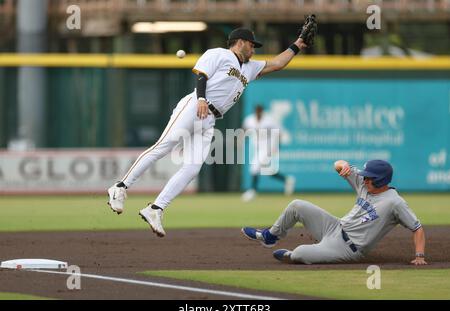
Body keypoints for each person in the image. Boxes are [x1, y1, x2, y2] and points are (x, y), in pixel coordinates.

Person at [107, 27, 311, 237]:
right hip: (196, 105)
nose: (254, 49)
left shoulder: (249, 68)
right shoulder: (219, 54)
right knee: (164, 146)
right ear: (240, 42)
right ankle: (120, 187)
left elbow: (278, 63)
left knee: (193, 167)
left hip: (211, 118)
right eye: (252, 45)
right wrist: (202, 99)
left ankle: (155, 209)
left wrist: (298, 45)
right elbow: (202, 76)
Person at [241, 159, 427, 265]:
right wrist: (342, 164)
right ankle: (270, 236)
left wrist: (419, 256)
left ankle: (292, 256)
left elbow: (417, 228)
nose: (365, 179)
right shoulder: (364, 183)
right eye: (366, 176)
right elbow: (337, 164)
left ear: (381, 181)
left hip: (348, 248)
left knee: (299, 254)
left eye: (370, 178)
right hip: (335, 226)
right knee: (297, 205)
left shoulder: (395, 202)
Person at [241, 104, 295, 202]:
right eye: (257, 111)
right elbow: (244, 130)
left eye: (260, 111)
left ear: (262, 111)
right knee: (268, 171)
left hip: (268, 147)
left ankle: (252, 191)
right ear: (254, 111)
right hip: (257, 147)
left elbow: (280, 132)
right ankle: (287, 179)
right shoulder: (250, 120)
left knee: (255, 166)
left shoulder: (269, 120)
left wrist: (277, 147)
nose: (258, 113)